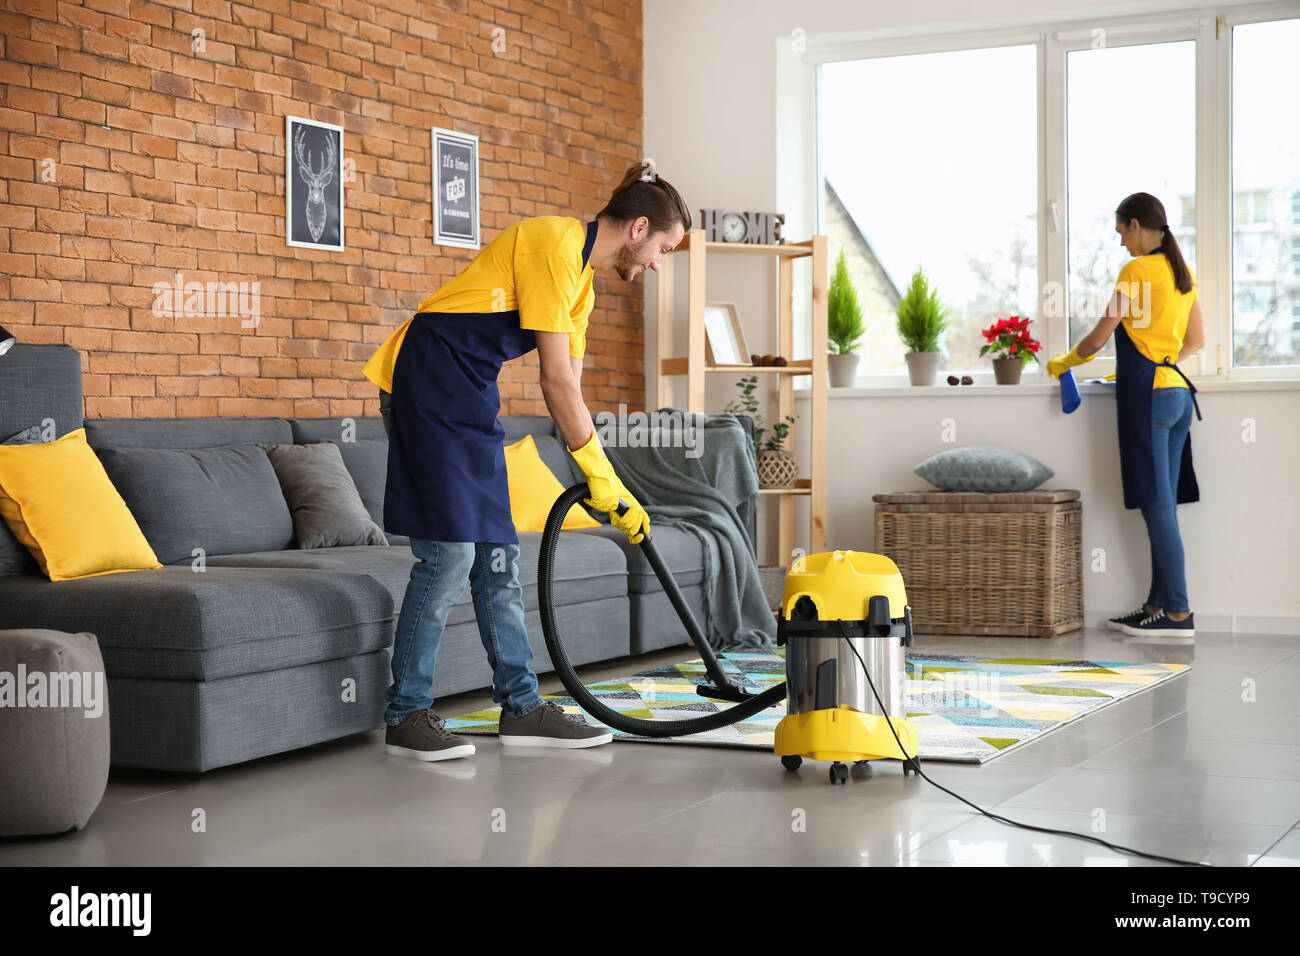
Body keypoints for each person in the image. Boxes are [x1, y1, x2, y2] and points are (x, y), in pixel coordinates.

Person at [361, 160, 691, 760]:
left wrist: (607, 483)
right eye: (664, 249)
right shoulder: (552, 246)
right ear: (639, 228)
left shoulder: (582, 285)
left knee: (498, 558)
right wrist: (601, 476)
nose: (658, 264)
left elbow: (573, 392)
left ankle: (521, 708)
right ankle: (405, 715)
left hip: (469, 394)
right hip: (425, 382)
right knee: (449, 556)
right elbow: (554, 381)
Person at [1047, 192, 1204, 638]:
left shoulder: (1136, 271)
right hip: (1176, 395)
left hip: (1152, 399)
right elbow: (1196, 339)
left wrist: (1064, 362)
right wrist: (1161, 361)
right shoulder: (1182, 271)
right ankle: (1157, 604)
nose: (1121, 243)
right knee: (1162, 506)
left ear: (1136, 225)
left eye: (1121, 232)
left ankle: (1179, 614)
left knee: (1157, 508)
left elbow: (1099, 338)